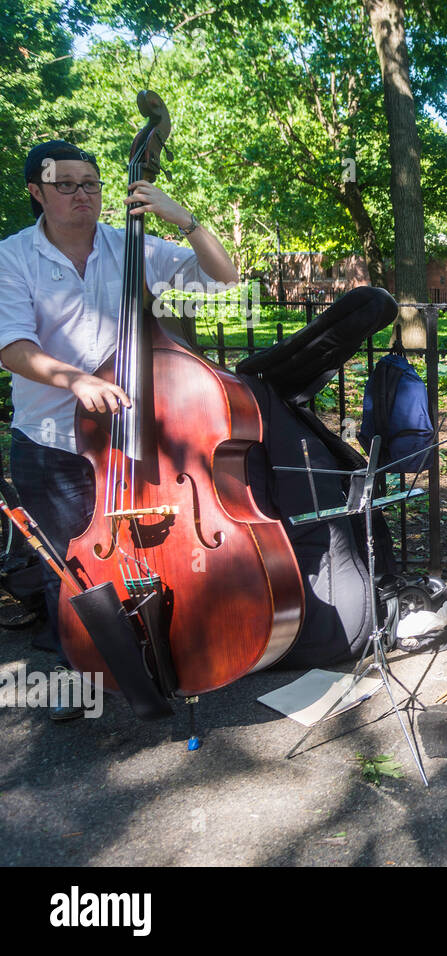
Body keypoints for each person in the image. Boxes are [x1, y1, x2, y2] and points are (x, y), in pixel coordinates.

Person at [0, 140, 237, 719]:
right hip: (52, 439)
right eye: (67, 185)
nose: (83, 195)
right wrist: (77, 380)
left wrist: (186, 220)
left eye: (92, 184)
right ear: (37, 191)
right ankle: (87, 677)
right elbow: (11, 346)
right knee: (74, 570)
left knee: (146, 555)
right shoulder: (13, 257)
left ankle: (157, 661)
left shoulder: (128, 245)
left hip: (126, 436)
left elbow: (225, 279)